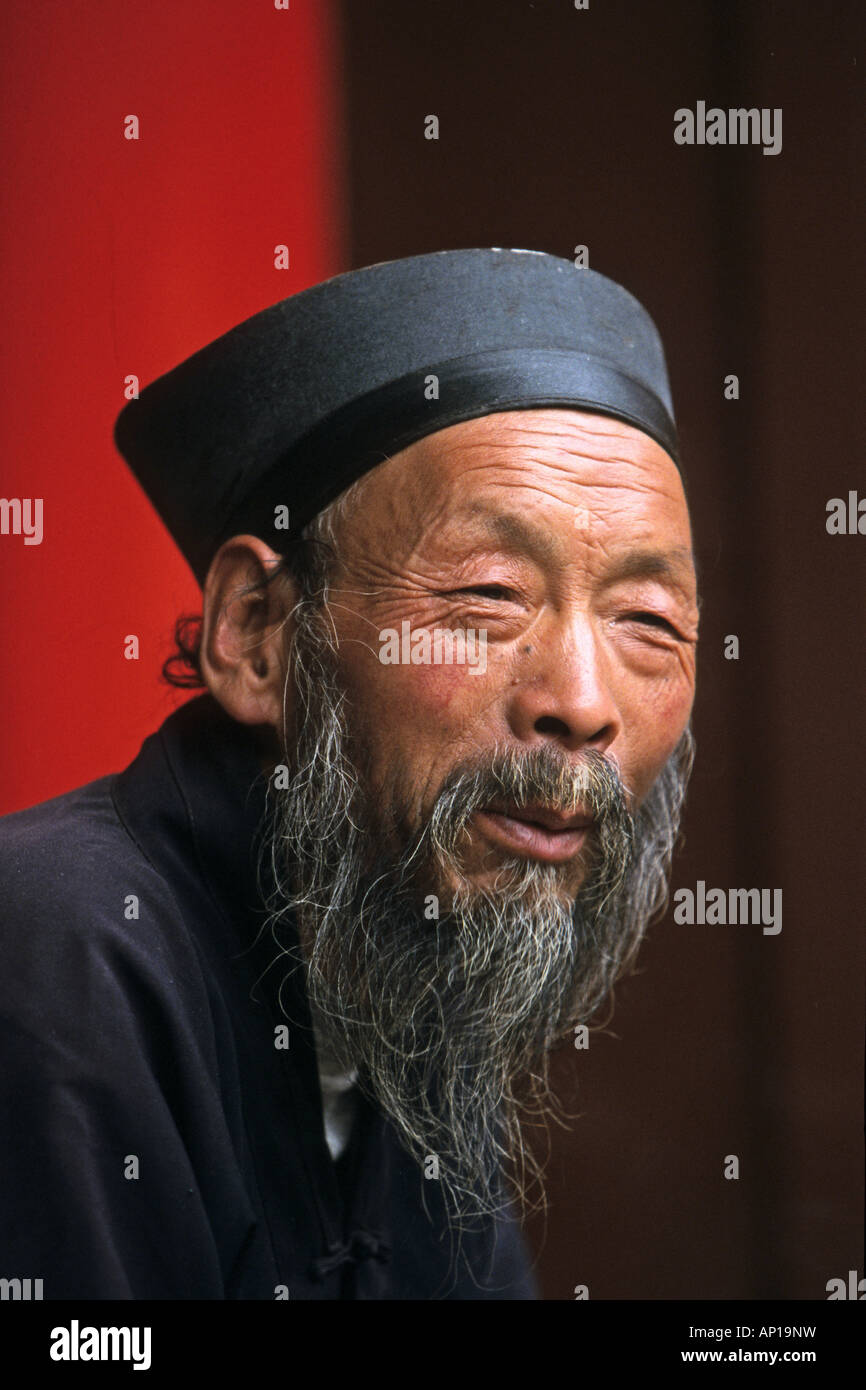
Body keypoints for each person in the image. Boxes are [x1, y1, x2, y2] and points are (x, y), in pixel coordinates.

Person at [0, 249, 699, 1299]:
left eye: (647, 620)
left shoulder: (407, 966)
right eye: (487, 594)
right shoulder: (60, 945)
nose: (584, 699)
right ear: (256, 631)